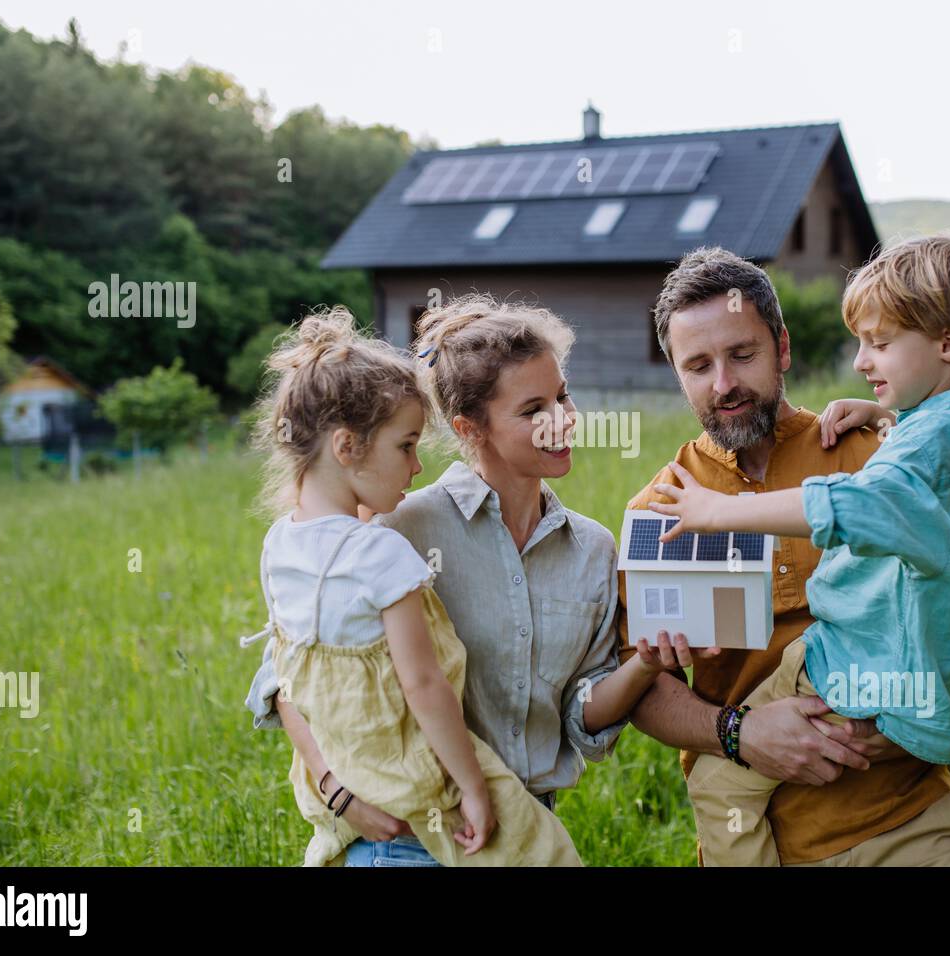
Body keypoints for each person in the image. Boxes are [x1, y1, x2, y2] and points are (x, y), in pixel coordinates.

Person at [244, 295, 711, 866]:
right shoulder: (394, 527)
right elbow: (290, 672)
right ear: (471, 427)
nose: (562, 419)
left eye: (562, 396)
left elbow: (579, 718)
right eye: (533, 408)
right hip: (410, 839)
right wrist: (339, 796)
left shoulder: (591, 549)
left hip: (525, 835)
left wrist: (647, 662)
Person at [618, 244, 950, 866]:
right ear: (677, 372)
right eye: (698, 365)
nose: (723, 384)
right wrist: (741, 734)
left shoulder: (871, 452)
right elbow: (644, 691)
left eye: (742, 355)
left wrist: (890, 728)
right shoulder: (663, 507)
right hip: (763, 837)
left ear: (782, 347)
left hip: (911, 818)